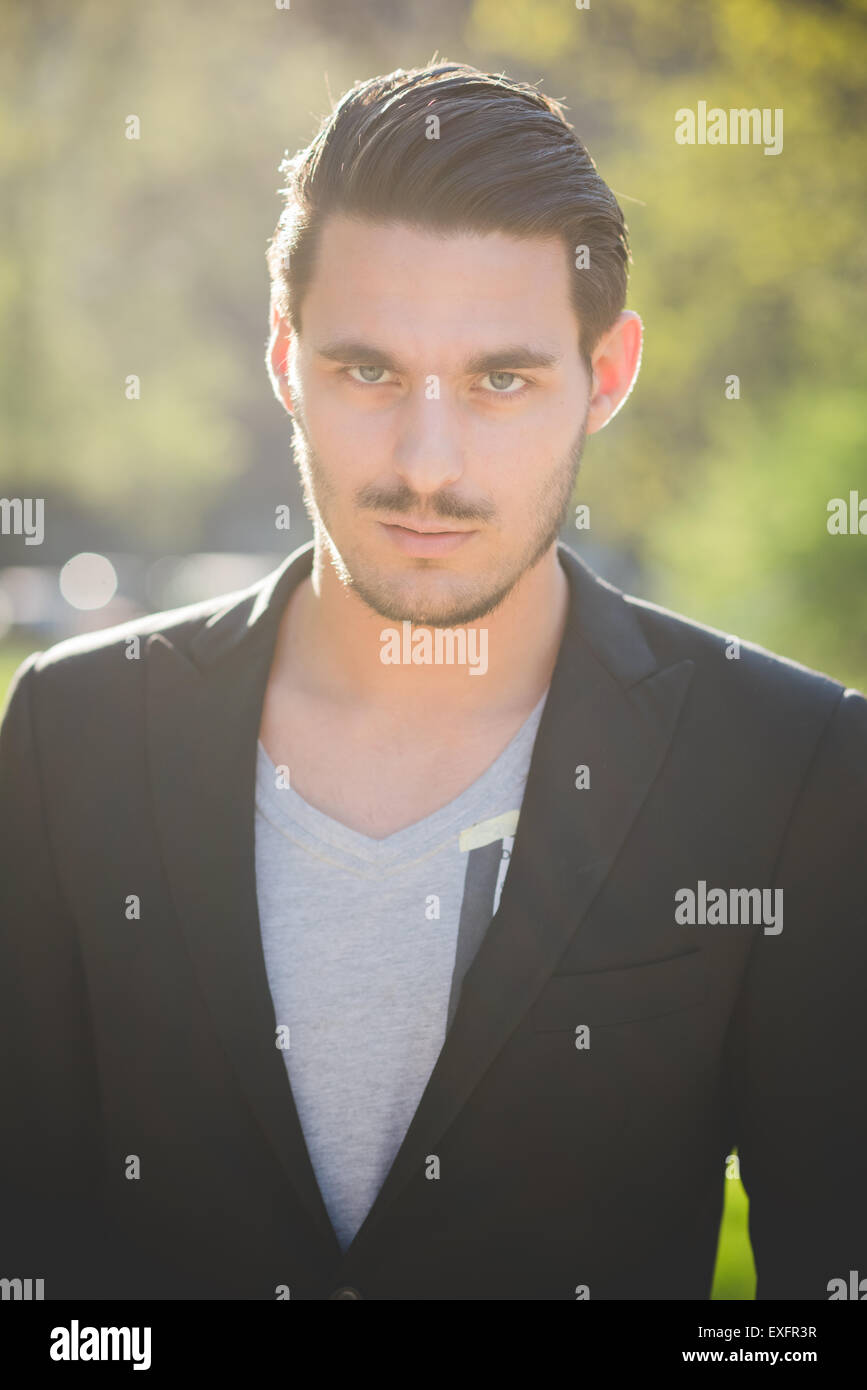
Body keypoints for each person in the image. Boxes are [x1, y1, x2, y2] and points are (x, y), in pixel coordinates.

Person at [1, 62, 864, 1302]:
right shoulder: (69, 734)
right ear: (286, 362)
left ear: (606, 377)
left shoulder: (791, 767)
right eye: (369, 371)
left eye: (501, 379)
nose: (428, 461)